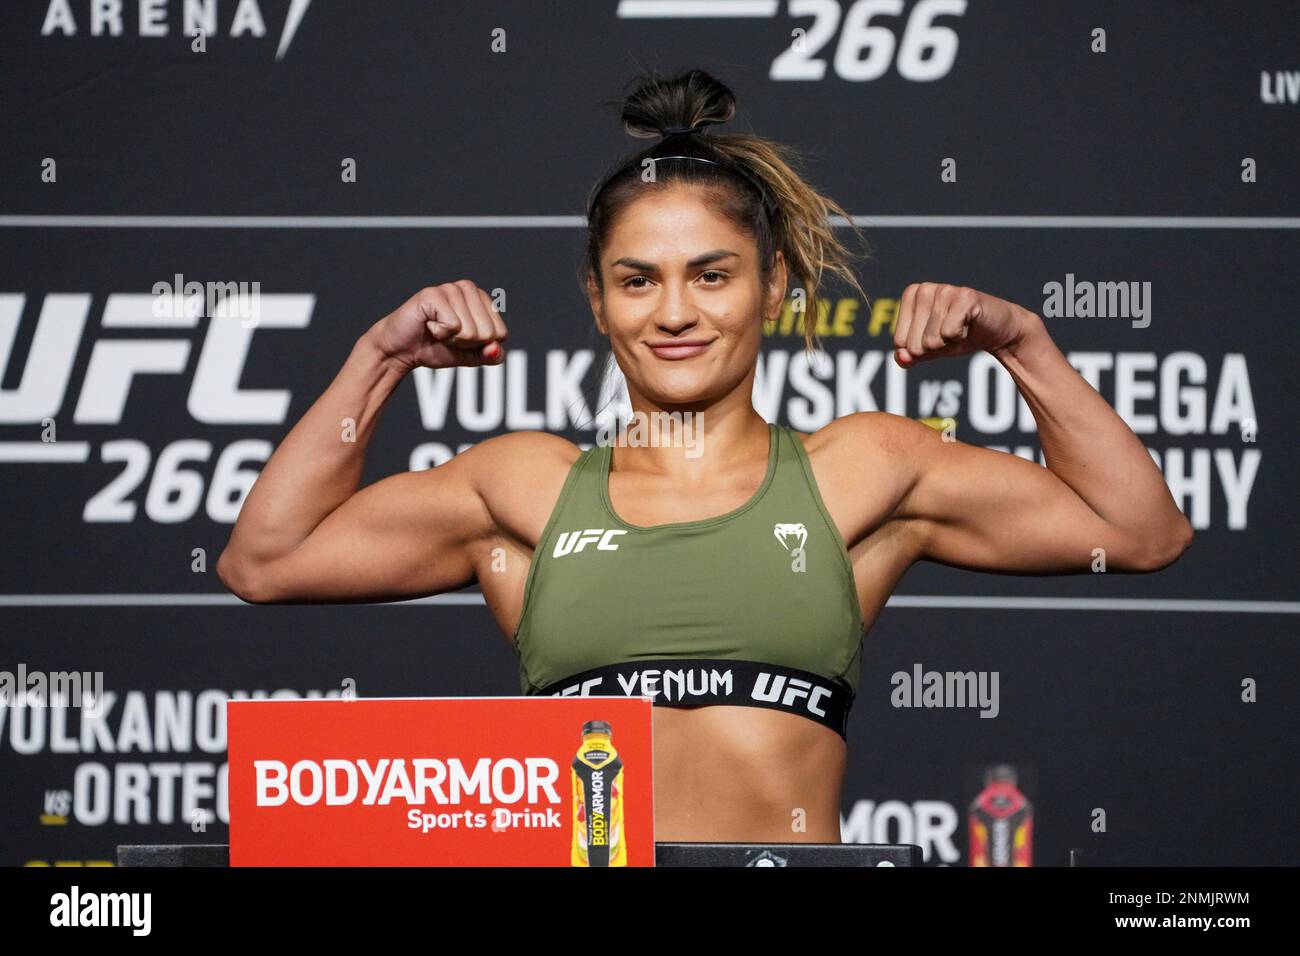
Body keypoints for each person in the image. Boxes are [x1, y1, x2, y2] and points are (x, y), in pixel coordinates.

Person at [217, 69, 1193, 843]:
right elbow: (264, 559)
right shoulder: (523, 485)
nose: (674, 311)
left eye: (710, 274)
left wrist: (1020, 342)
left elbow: (1139, 530)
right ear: (596, 301)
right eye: (637, 280)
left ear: (772, 286)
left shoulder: (861, 470)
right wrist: (378, 357)